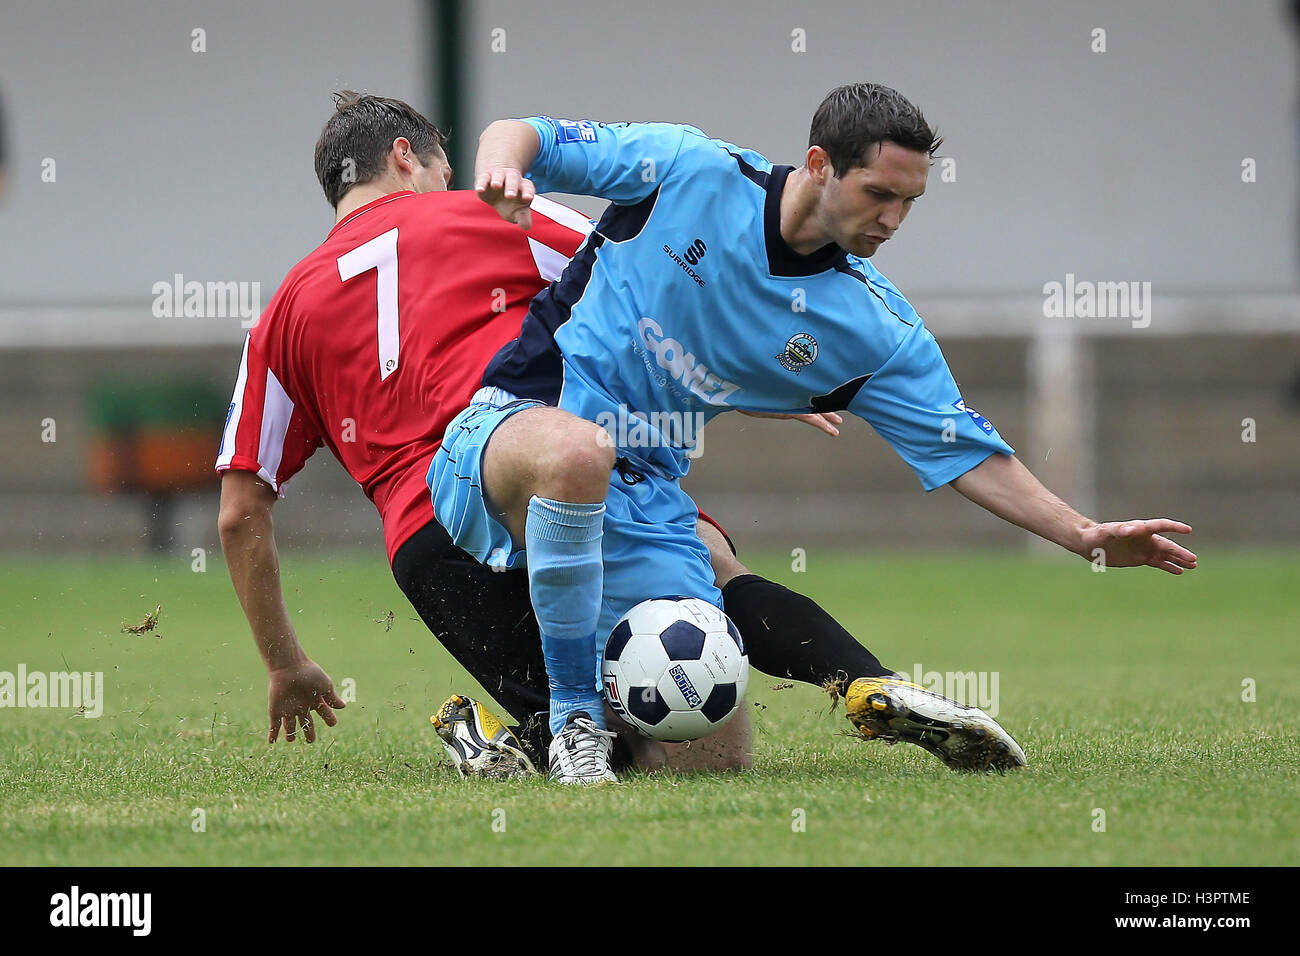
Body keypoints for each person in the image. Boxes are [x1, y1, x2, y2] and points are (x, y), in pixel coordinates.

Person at [428, 83, 1198, 783]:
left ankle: (499, 742)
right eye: (878, 195)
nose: (893, 220)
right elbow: (524, 132)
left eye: (909, 203)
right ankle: (572, 721)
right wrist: (501, 172)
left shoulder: (870, 327)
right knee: (576, 452)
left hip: (642, 495)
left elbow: (963, 448)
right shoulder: (692, 170)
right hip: (506, 433)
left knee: (709, 757)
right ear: (820, 164)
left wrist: (1081, 534)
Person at [216, 91, 929, 779]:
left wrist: (286, 663)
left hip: (432, 544)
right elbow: (645, 278)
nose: (454, 181)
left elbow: (241, 513)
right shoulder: (490, 213)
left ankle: (525, 736)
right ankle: (867, 680)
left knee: (632, 750)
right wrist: (753, 374)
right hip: (548, 465)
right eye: (444, 167)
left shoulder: (280, 314)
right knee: (701, 687)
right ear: (408, 157)